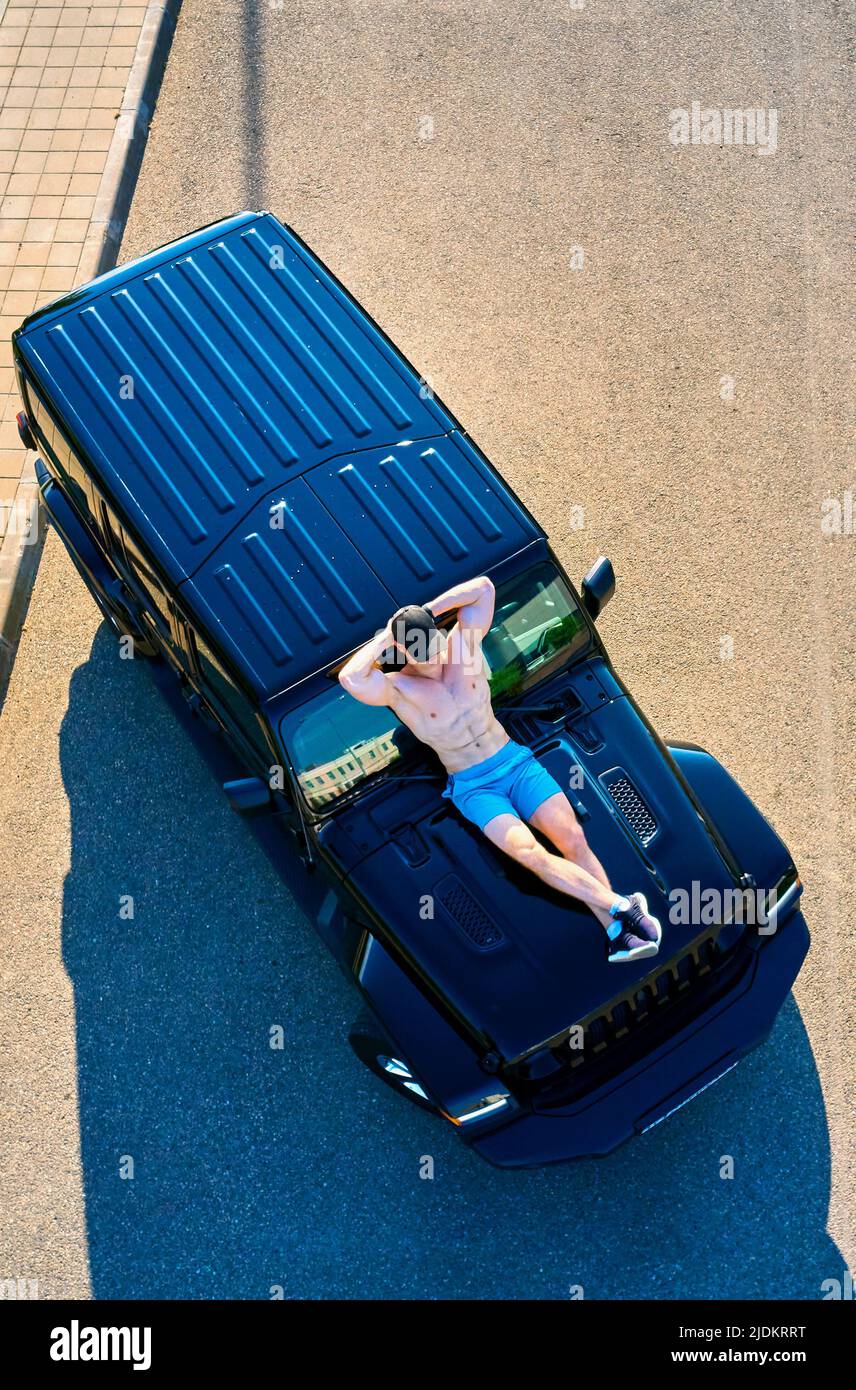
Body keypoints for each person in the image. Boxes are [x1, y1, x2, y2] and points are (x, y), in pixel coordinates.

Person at [338, 575, 661, 963]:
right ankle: (622, 906)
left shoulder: (461, 645)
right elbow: (350, 677)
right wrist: (387, 637)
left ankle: (615, 931)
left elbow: (485, 588)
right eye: (423, 655)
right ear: (403, 654)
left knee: (572, 838)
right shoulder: (398, 688)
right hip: (474, 787)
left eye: (435, 645)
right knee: (528, 852)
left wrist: (429, 612)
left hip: (513, 760)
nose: (435, 658)